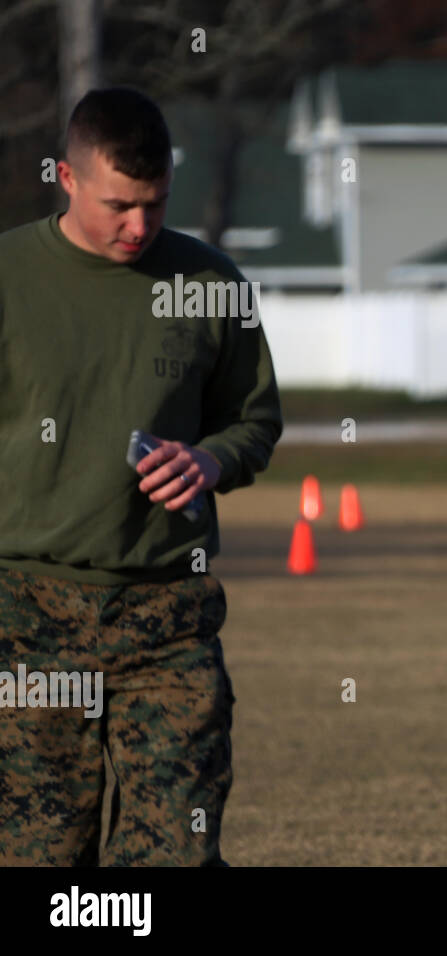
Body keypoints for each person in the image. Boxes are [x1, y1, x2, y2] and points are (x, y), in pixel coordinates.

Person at [0, 87, 282, 865]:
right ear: (65, 176)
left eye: (155, 204)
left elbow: (255, 421)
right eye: (119, 205)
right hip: (27, 618)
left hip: (168, 614)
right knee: (39, 855)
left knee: (176, 850)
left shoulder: (211, 283)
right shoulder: (10, 278)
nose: (139, 227)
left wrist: (209, 457)